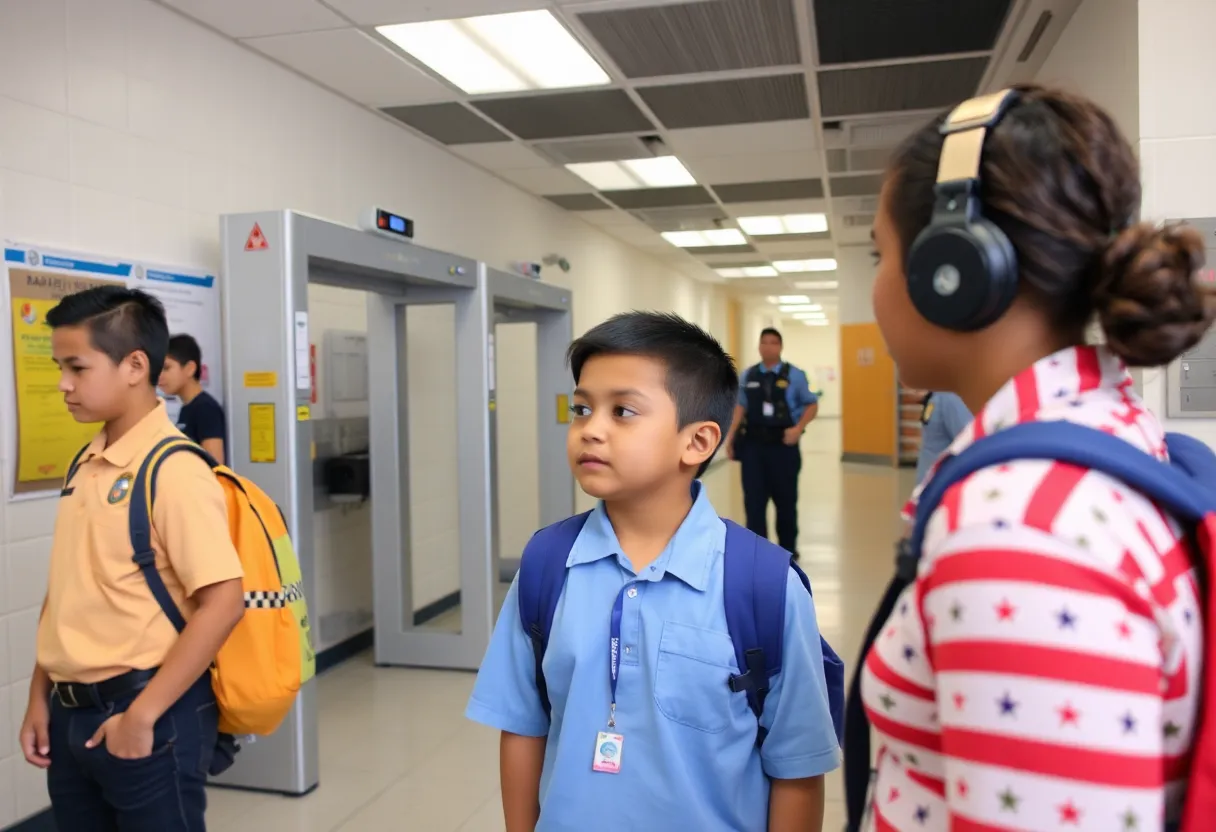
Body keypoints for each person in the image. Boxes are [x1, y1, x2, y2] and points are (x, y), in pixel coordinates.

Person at [857, 84, 1211, 830]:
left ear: (950, 270)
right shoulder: (1100, 437)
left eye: (881, 254)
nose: (877, 288)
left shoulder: (1020, 529)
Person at [466, 312, 840, 831]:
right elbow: (523, 724)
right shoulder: (548, 564)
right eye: (581, 408)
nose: (590, 429)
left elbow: (797, 766)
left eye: (622, 411)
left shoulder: (763, 585)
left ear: (698, 442)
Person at [20, 286, 245, 831]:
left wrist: (142, 716)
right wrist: (39, 696)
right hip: (72, 716)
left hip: (148, 712)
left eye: (77, 367)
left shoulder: (174, 469)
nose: (63, 384)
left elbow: (224, 602)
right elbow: (68, 589)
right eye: (59, 367)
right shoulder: (88, 460)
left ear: (135, 366)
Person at [724, 328, 819, 557]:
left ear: (780, 347)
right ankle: (758, 552)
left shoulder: (795, 375)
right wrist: (730, 436)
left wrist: (798, 429)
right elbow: (740, 406)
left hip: (783, 446)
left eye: (773, 342)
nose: (768, 346)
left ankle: (788, 550)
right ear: (759, 347)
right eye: (764, 342)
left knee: (786, 502)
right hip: (754, 447)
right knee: (754, 503)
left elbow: (811, 404)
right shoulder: (748, 376)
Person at [159, 333, 227, 463]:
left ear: (190, 368)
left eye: (166, 368)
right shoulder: (187, 408)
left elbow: (215, 465)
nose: (160, 376)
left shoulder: (206, 408)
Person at [913, 391, 971, 485]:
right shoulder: (935, 397)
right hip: (929, 485)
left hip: (941, 487)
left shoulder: (949, 398)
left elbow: (968, 443)